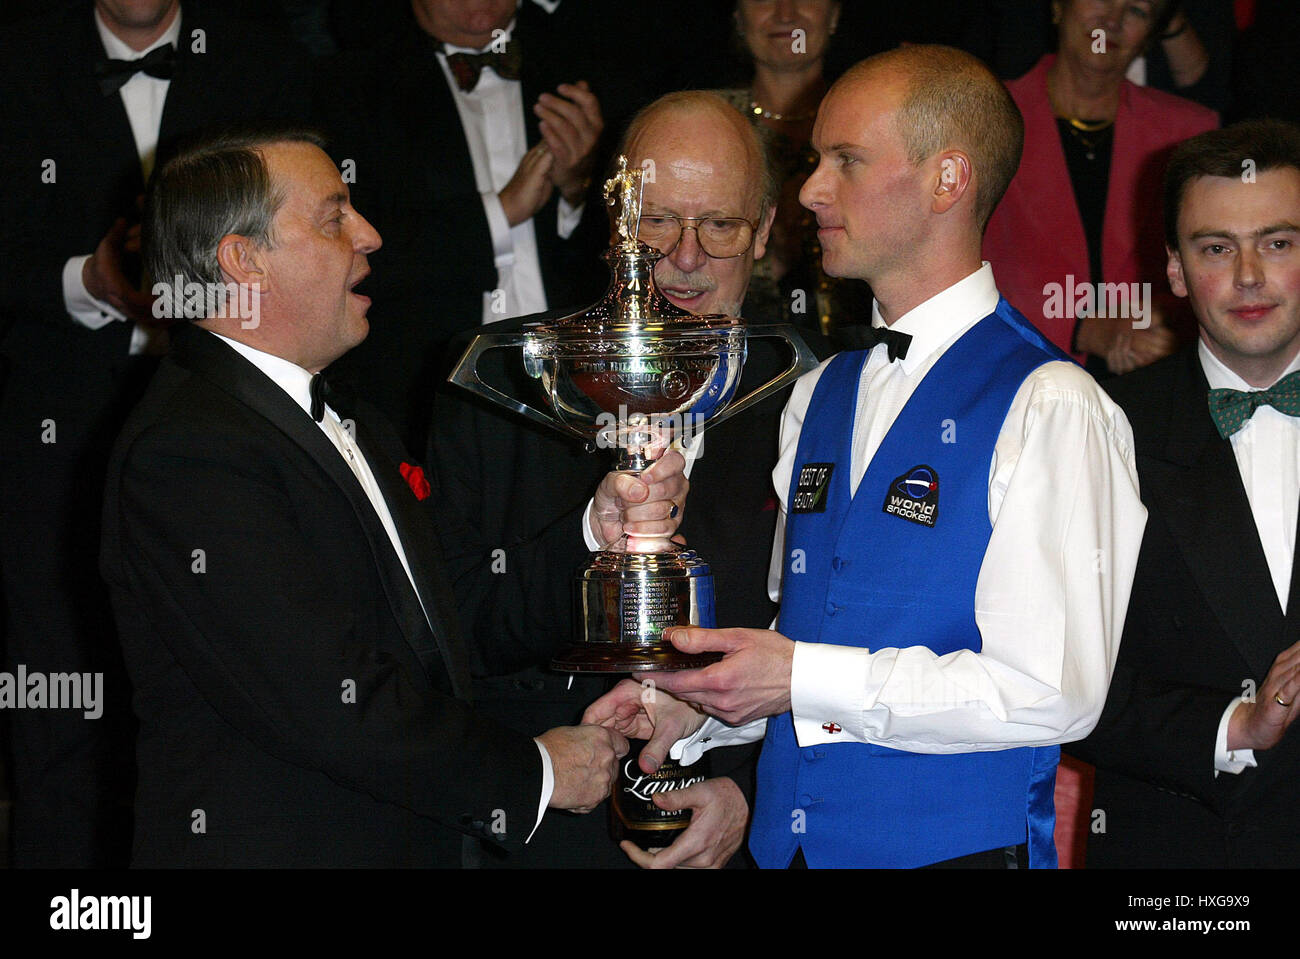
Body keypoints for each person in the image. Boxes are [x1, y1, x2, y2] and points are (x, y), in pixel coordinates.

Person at [585, 45, 1146, 869]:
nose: (809, 190)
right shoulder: (819, 392)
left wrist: (800, 677)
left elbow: (1053, 692)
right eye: (815, 161)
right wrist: (701, 714)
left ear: (947, 180)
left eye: (844, 160)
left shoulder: (1054, 403)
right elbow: (807, 637)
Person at [98, 124, 695, 867]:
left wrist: (590, 536)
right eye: (333, 216)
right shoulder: (192, 451)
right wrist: (534, 772)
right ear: (243, 261)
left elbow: (449, 627)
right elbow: (325, 701)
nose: (371, 236)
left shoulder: (353, 424)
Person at [434, 90, 830, 869]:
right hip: (544, 842)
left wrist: (753, 793)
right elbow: (457, 637)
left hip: (748, 839)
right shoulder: (506, 383)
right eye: (656, 221)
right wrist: (587, 536)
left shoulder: (824, 396)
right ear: (613, 222)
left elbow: (857, 651)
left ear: (765, 234)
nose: (684, 257)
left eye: (719, 224)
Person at [0, 0, 310, 868]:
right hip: (54, 455)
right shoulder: (18, 57)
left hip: (235, 444)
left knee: (224, 715)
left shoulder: (267, 56)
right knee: (60, 725)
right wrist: (89, 279)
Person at [1069, 119, 1300, 867]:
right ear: (1172, 269)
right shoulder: (1102, 428)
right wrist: (1234, 725)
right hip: (1179, 869)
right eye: (1215, 247)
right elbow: (1058, 678)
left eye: (1278, 242)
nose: (1249, 277)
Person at [311, 0, 642, 453]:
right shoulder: (347, 87)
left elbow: (642, 247)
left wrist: (580, 186)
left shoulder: (586, 66)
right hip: (421, 393)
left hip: (582, 384)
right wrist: (499, 213)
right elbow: (346, 252)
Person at [982, 0, 1216, 377]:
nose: (1113, 19)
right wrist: (1083, 329)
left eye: (1137, 11)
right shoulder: (984, 118)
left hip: (1150, 375)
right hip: (1012, 373)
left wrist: (1151, 321)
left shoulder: (1189, 131)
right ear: (1058, 7)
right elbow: (948, 264)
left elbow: (1210, 261)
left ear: (1148, 40)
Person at [710, 0, 872, 344]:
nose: (786, 13)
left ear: (835, 14)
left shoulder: (876, 121)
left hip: (858, 351)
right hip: (732, 351)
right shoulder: (701, 125)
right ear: (738, 16)